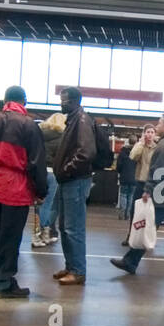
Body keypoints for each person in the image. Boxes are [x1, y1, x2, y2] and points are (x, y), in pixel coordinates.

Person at [0, 86, 47, 298]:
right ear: (24, 101)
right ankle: (4, 283)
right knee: (10, 236)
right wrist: (41, 190)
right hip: (16, 185)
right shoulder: (29, 125)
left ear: (4, 101)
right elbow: (36, 162)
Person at [111, 112, 164, 278]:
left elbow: (158, 169)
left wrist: (148, 189)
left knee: (146, 226)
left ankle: (130, 261)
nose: (157, 126)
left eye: (159, 123)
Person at [53, 86, 96, 286]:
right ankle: (71, 266)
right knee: (65, 227)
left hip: (75, 181)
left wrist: (67, 170)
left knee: (73, 228)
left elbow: (86, 152)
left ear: (75, 101)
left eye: (65, 100)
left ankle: (78, 270)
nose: (62, 103)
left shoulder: (81, 120)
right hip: (69, 180)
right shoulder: (73, 119)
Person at [32, 112, 65, 248]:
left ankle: (37, 235)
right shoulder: (63, 137)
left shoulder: (39, 133)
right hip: (52, 172)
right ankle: (44, 234)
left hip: (38, 172)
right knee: (48, 204)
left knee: (37, 205)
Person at [116, 139, 138, 220]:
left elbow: (118, 166)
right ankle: (128, 215)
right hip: (134, 178)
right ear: (136, 142)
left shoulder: (122, 153)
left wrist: (120, 172)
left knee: (123, 195)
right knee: (131, 196)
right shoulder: (137, 152)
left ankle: (121, 214)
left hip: (124, 177)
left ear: (128, 141)